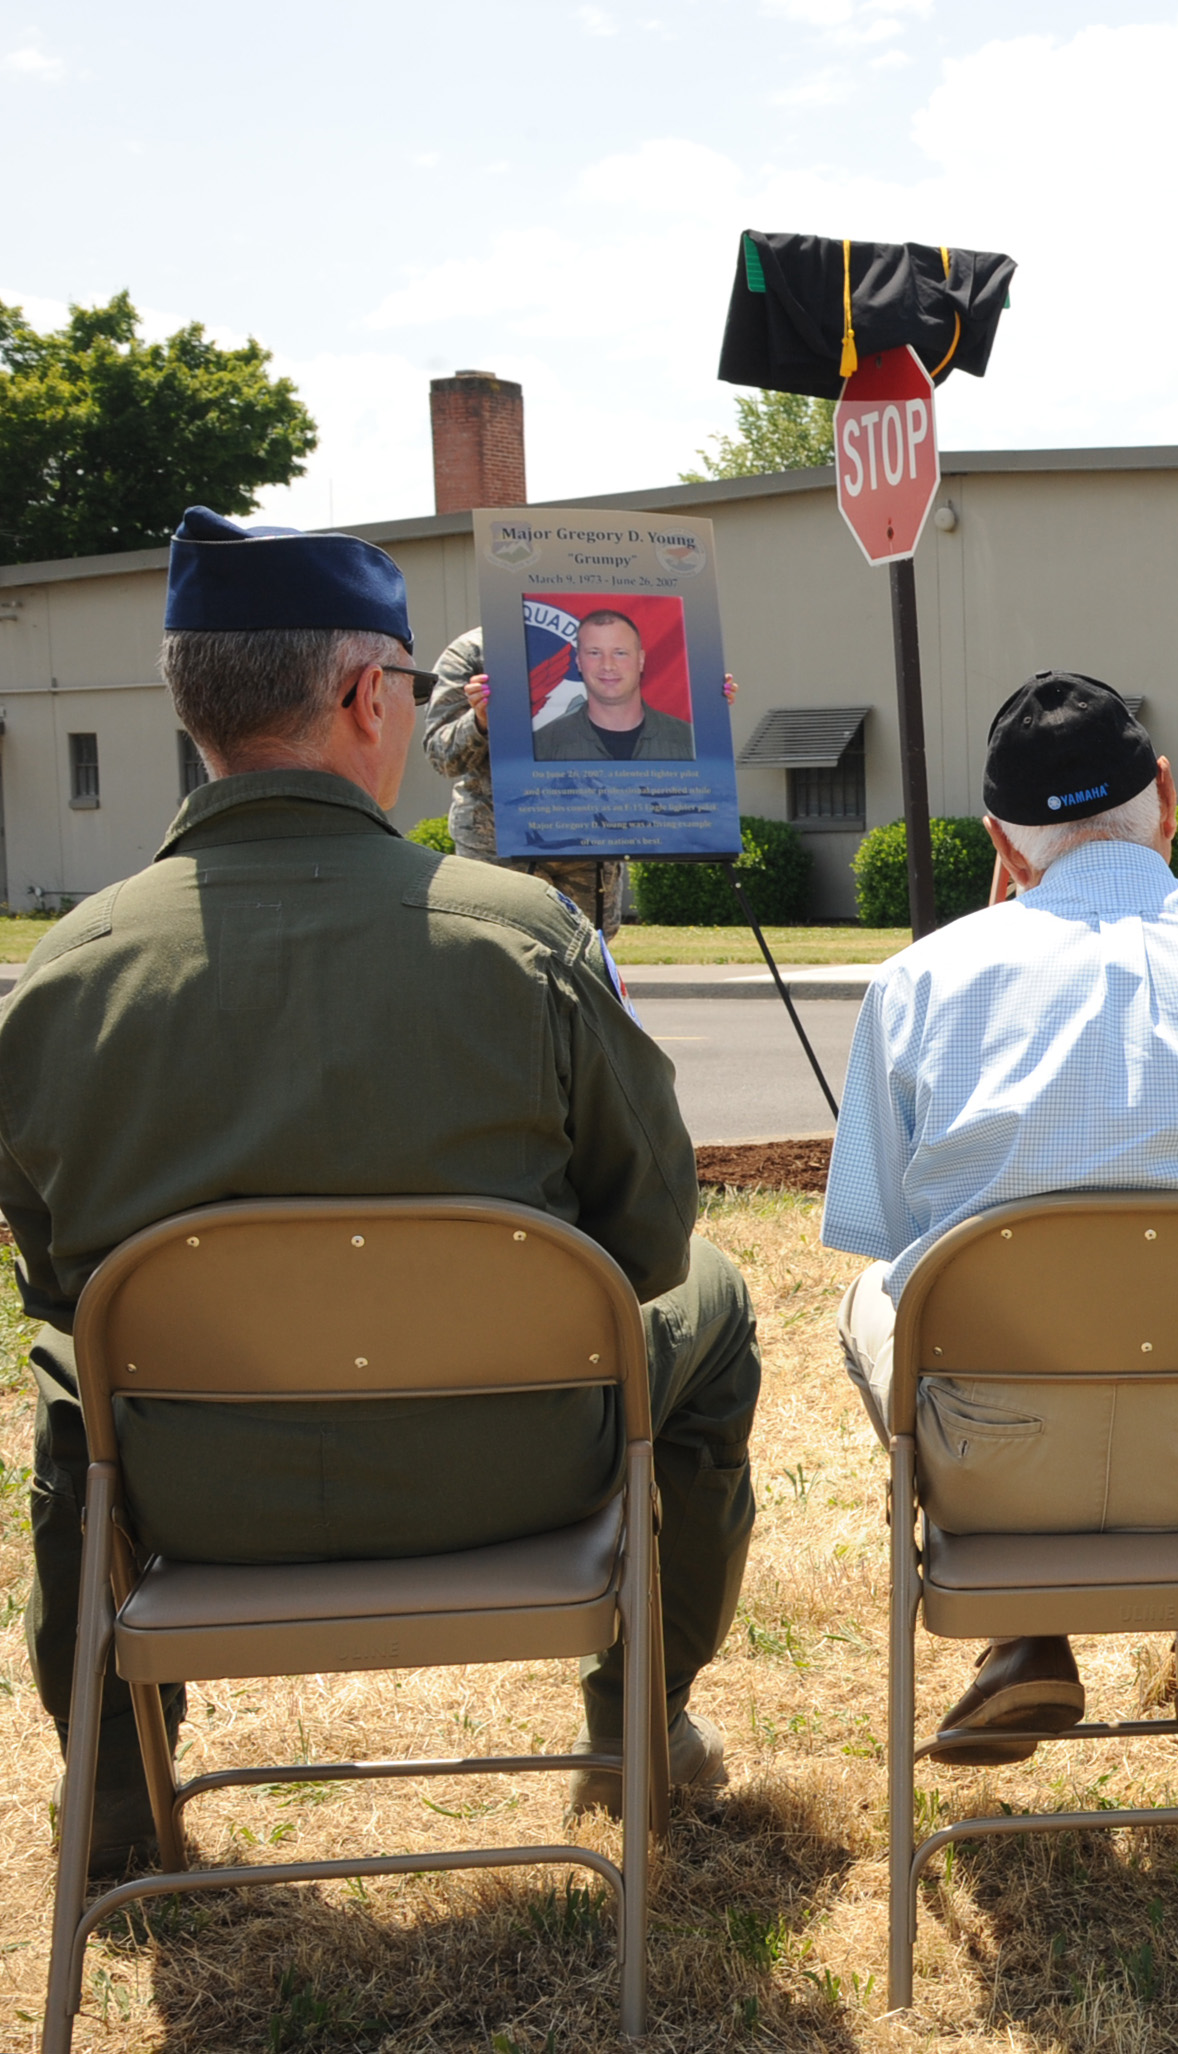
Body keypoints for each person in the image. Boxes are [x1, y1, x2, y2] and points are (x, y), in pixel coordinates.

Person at [0, 509, 761, 1872]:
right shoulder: (525, 941)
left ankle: (116, 1787)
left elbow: (59, 1277)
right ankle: (633, 1716)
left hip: (189, 1491)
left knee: (75, 1365)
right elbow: (649, 1238)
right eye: (412, 686)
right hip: (517, 1469)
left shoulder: (64, 974)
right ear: (365, 694)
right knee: (721, 1298)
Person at [822, 673, 1178, 1759]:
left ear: (1004, 841)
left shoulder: (918, 982)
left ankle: (1025, 1632)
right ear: (1166, 795)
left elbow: (899, 1243)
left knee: (880, 1291)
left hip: (997, 1456)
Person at [423, 627, 736, 933]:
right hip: (502, 844)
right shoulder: (476, 651)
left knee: (589, 959)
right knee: (506, 955)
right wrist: (480, 722)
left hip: (593, 841)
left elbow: (651, 709)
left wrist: (705, 697)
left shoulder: (614, 641)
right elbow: (442, 756)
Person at [533, 609, 697, 761]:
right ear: (578, 662)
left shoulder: (691, 742)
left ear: (640, 661)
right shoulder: (542, 748)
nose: (608, 665)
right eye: (594, 653)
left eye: (620, 653)